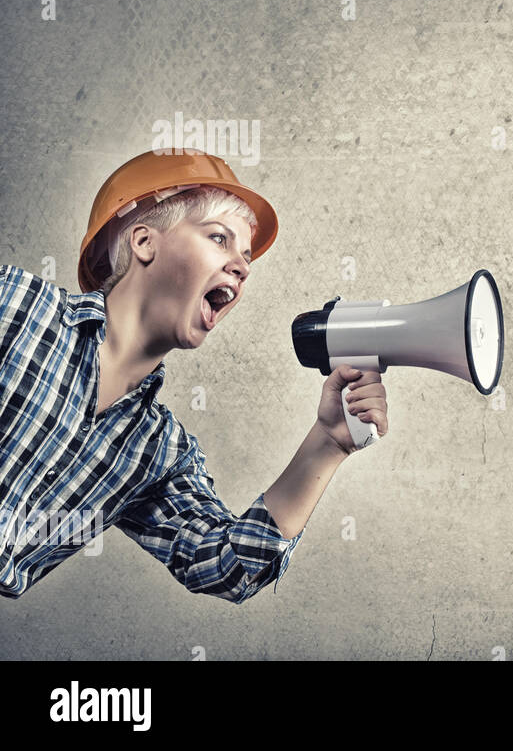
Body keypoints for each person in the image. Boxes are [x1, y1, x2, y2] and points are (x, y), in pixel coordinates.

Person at [0, 149, 387, 603]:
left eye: (247, 257)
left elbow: (224, 567)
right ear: (145, 243)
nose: (242, 267)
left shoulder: (157, 452)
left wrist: (328, 444)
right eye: (219, 238)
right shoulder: (15, 303)